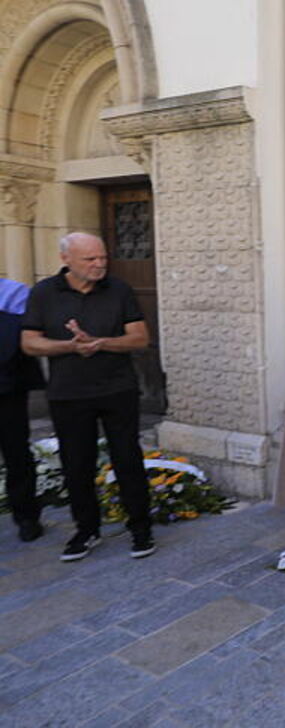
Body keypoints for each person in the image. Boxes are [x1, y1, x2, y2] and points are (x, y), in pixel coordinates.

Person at [21, 232, 155, 561]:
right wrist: (70, 346)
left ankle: (141, 529)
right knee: (75, 465)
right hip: (68, 393)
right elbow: (29, 342)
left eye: (103, 258)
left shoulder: (119, 289)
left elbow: (139, 338)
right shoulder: (44, 293)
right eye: (90, 259)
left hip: (117, 389)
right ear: (66, 259)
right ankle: (86, 530)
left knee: (128, 460)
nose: (99, 265)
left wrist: (99, 342)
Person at [1, 277, 46, 541]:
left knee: (16, 453)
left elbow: (16, 339)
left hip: (7, 388)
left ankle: (26, 517)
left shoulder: (13, 292)